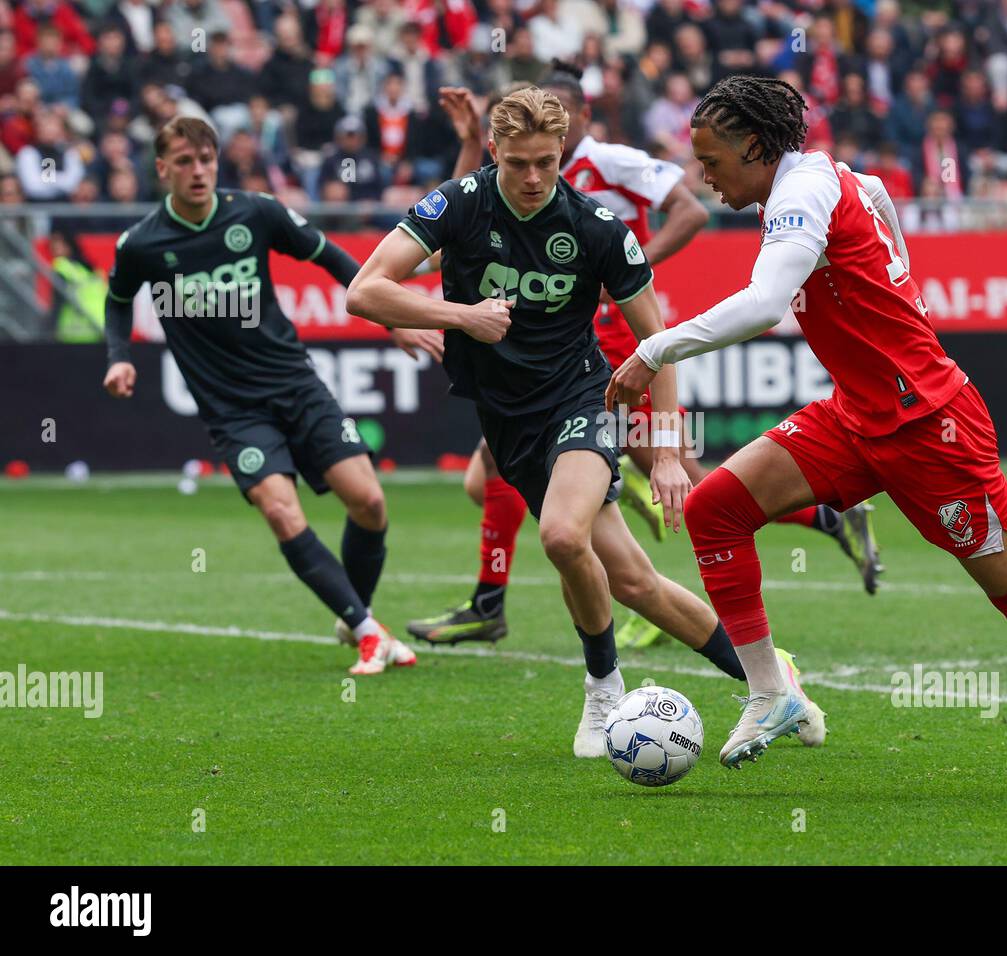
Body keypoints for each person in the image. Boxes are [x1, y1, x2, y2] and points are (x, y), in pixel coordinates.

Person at [607, 75, 1007, 784]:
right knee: (716, 509)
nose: (706, 178)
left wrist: (651, 349)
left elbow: (762, 305)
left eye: (713, 162)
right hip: (858, 413)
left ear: (755, 147)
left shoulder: (803, 193)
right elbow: (873, 190)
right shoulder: (822, 177)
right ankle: (770, 693)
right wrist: (897, 276)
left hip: (931, 427)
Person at [346, 87, 826, 757]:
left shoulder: (597, 227)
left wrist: (664, 452)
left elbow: (659, 345)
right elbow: (364, 291)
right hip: (507, 423)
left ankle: (603, 690)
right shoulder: (458, 205)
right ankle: (775, 684)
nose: (536, 177)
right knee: (634, 583)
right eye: (519, 163)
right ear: (494, 153)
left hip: (582, 400)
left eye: (547, 161)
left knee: (563, 537)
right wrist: (464, 316)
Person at [405, 69, 882, 654]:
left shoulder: (612, 165)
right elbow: (456, 233)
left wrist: (630, 271)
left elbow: (691, 211)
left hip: (603, 350)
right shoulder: (520, 174)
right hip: (534, 358)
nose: (534, 170)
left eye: (559, 122)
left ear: (578, 117)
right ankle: (512, 585)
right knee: (502, 480)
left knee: (674, 477)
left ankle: (502, 597)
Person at [102, 116, 416, 676]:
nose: (197, 171)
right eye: (184, 162)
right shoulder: (142, 243)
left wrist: (388, 313)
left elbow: (331, 256)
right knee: (279, 508)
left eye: (206, 159)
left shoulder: (257, 212)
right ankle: (369, 633)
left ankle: (354, 614)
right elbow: (118, 299)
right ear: (162, 169)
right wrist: (119, 356)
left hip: (295, 383)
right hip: (233, 409)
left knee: (368, 503)